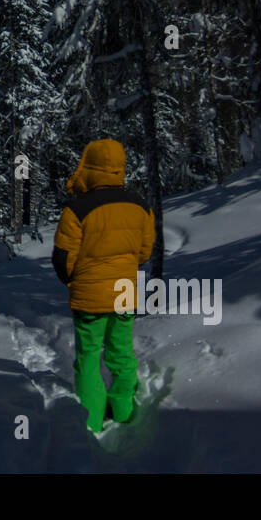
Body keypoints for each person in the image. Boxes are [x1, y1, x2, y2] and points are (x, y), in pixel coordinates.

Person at [51, 138, 155, 433]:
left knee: (88, 356)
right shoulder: (140, 205)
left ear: (89, 166)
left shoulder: (77, 209)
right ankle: (122, 411)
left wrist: (74, 280)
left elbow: (63, 258)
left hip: (89, 296)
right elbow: (144, 253)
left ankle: (92, 420)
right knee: (121, 352)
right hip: (125, 291)